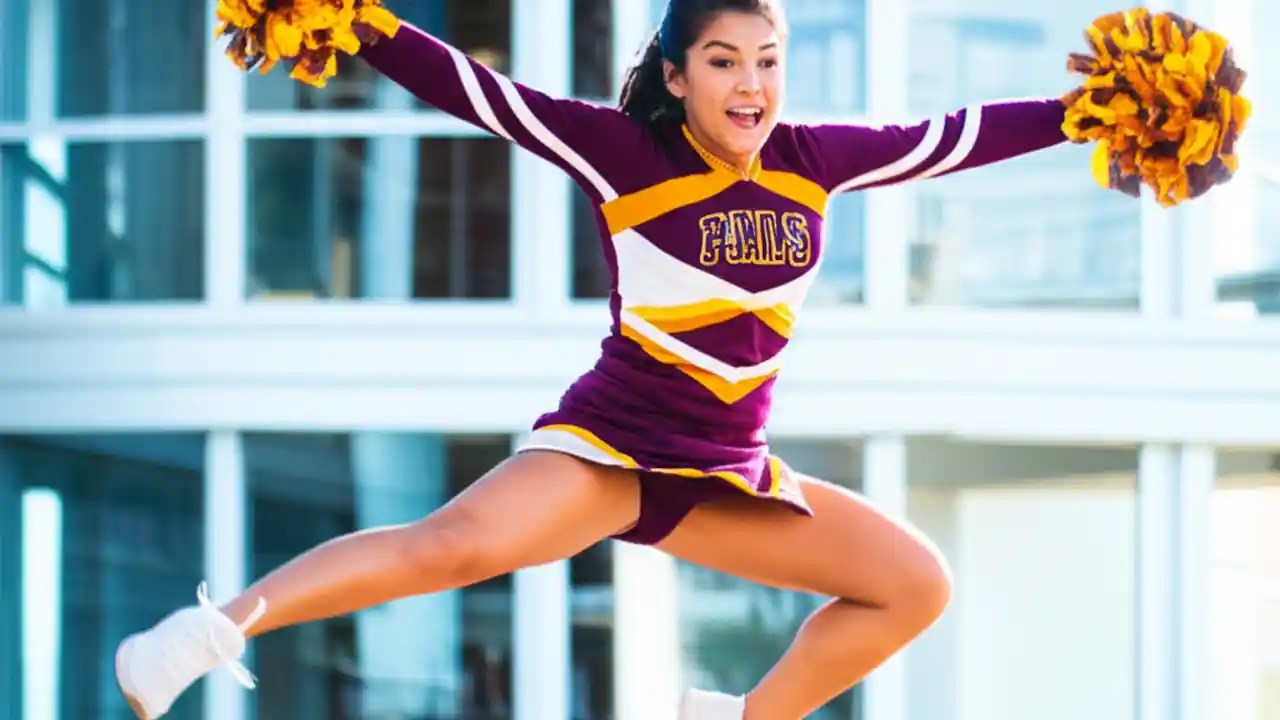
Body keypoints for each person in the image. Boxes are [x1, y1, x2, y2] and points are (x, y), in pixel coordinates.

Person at [115, 1, 1083, 718]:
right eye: (721, 61)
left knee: (914, 584)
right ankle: (207, 631)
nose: (749, 84)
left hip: (724, 475)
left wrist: (1086, 109)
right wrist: (351, 20)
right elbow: (477, 92)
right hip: (606, 455)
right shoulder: (621, 150)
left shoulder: (816, 157)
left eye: (766, 61)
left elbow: (957, 137)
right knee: (446, 547)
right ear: (676, 77)